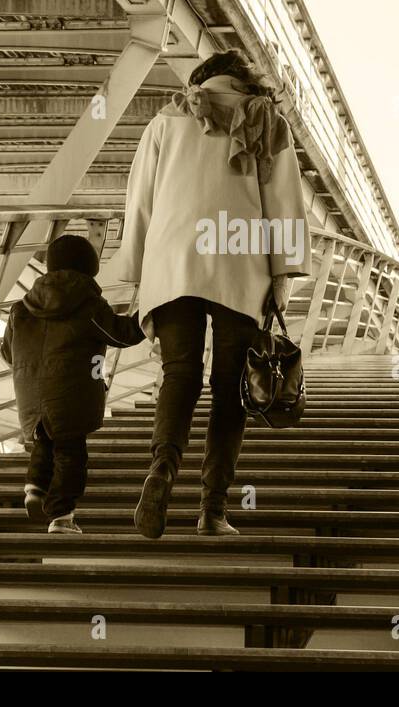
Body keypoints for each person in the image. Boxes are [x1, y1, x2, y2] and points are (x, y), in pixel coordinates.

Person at [115, 49, 311, 539]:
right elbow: (284, 204)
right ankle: (212, 511)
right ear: (244, 82)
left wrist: (138, 275)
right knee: (230, 391)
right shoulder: (268, 121)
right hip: (239, 261)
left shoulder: (167, 118)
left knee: (178, 373)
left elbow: (140, 200)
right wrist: (282, 278)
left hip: (173, 259)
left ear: (202, 80)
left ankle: (161, 469)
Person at [0, 234, 146, 534]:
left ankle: (35, 488)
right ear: (88, 269)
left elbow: (7, 351)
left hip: (31, 393)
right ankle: (61, 515)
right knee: (71, 452)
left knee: (45, 440)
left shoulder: (20, 308)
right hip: (70, 394)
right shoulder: (87, 304)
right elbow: (122, 334)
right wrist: (150, 313)